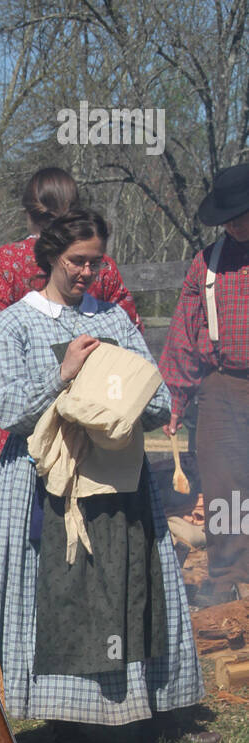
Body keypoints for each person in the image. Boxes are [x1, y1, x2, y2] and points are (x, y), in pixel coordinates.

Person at [0, 209, 202, 734]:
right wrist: (63, 374)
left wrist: (121, 400)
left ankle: (116, 709)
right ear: (51, 257)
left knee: (112, 584)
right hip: (38, 478)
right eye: (76, 261)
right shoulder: (15, 323)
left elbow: (156, 398)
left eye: (95, 262)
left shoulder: (112, 320)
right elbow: (3, 408)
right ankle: (53, 711)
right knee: (46, 588)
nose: (86, 272)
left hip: (113, 480)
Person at [0, 169, 141, 598]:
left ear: (28, 210)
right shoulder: (98, 263)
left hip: (22, 415)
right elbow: (129, 322)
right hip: (90, 414)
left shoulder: (6, 260)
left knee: (1, 516)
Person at [160, 164, 249, 601]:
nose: (233, 223)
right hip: (221, 388)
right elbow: (182, 335)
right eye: (227, 216)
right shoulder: (206, 264)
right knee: (223, 487)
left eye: (241, 214)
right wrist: (173, 402)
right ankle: (228, 579)